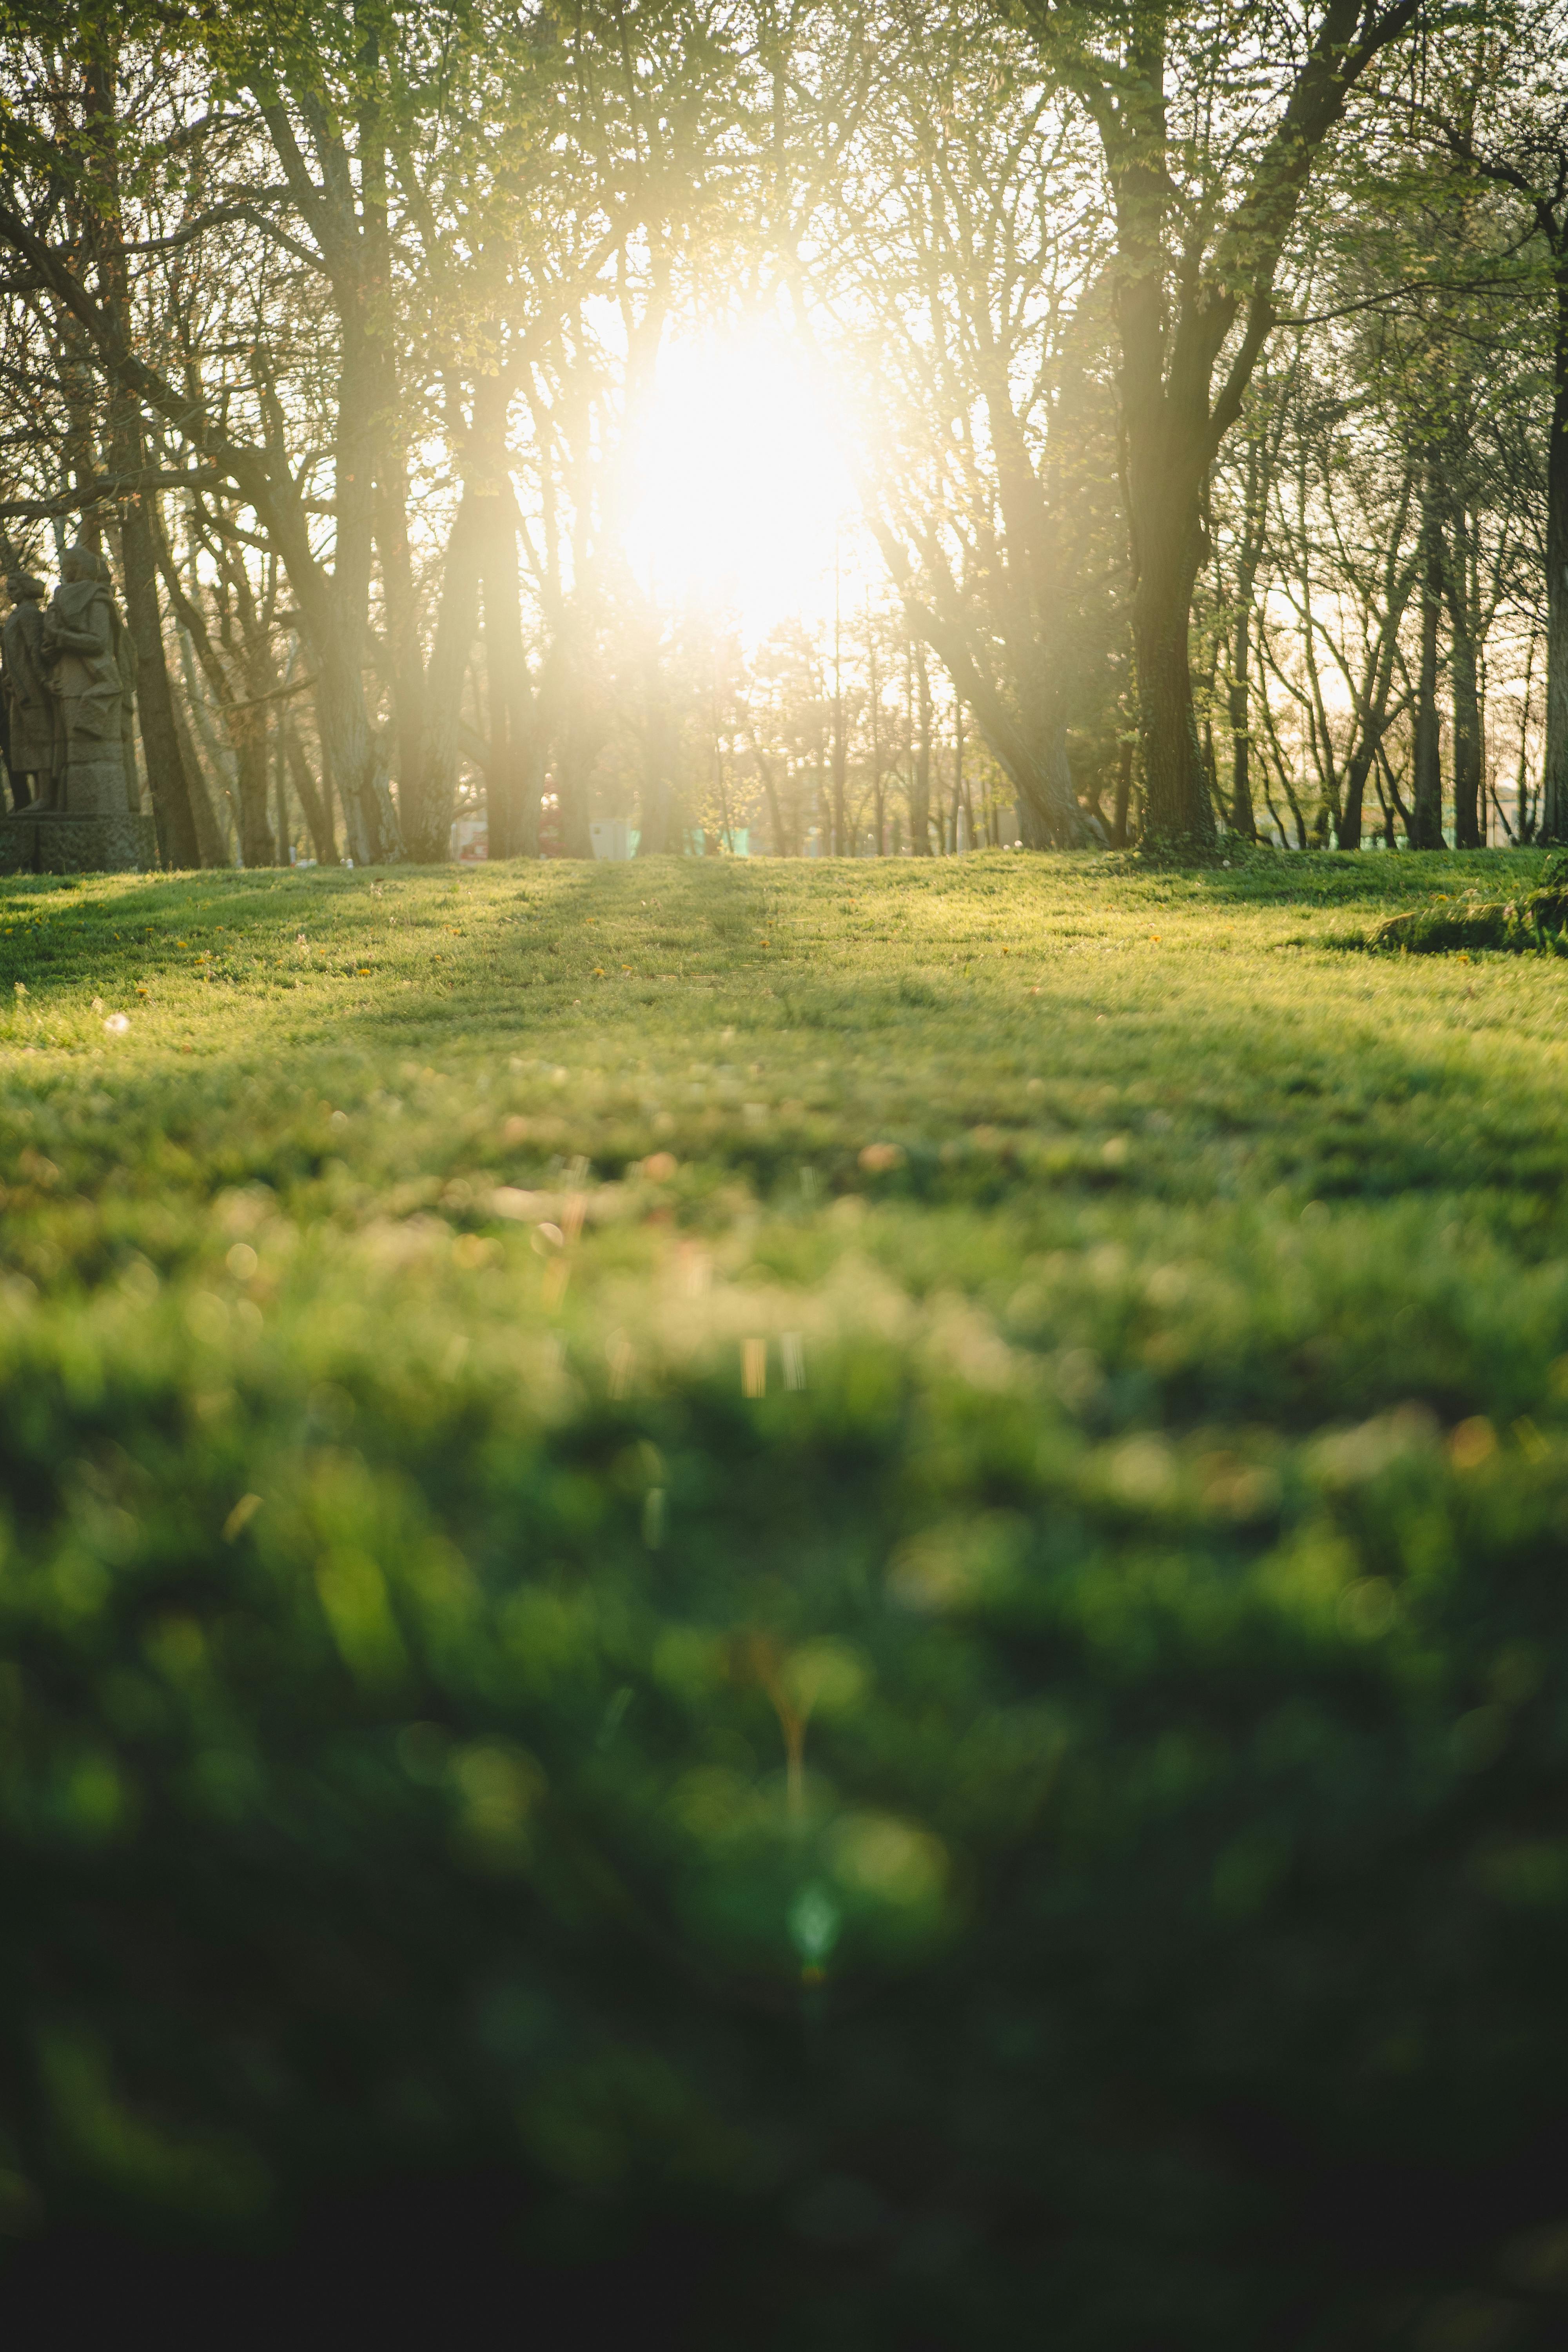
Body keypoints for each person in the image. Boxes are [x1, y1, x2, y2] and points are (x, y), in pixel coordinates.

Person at [40, 544, 128, 815]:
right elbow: (51, 645)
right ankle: (67, 806)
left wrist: (61, 638)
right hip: (66, 683)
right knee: (70, 752)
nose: (63, 570)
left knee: (92, 750)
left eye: (67, 565)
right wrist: (51, 650)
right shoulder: (59, 600)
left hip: (93, 682)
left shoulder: (97, 598)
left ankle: (94, 808)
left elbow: (99, 643)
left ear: (78, 567)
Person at [2, 570, 59, 810]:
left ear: (26, 589)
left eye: (14, 589)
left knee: (41, 740)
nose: (10, 593)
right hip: (19, 690)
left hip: (33, 689)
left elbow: (36, 650)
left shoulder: (30, 615)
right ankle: (39, 798)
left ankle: (46, 797)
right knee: (29, 744)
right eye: (8, 589)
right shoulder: (17, 615)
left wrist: (44, 681)